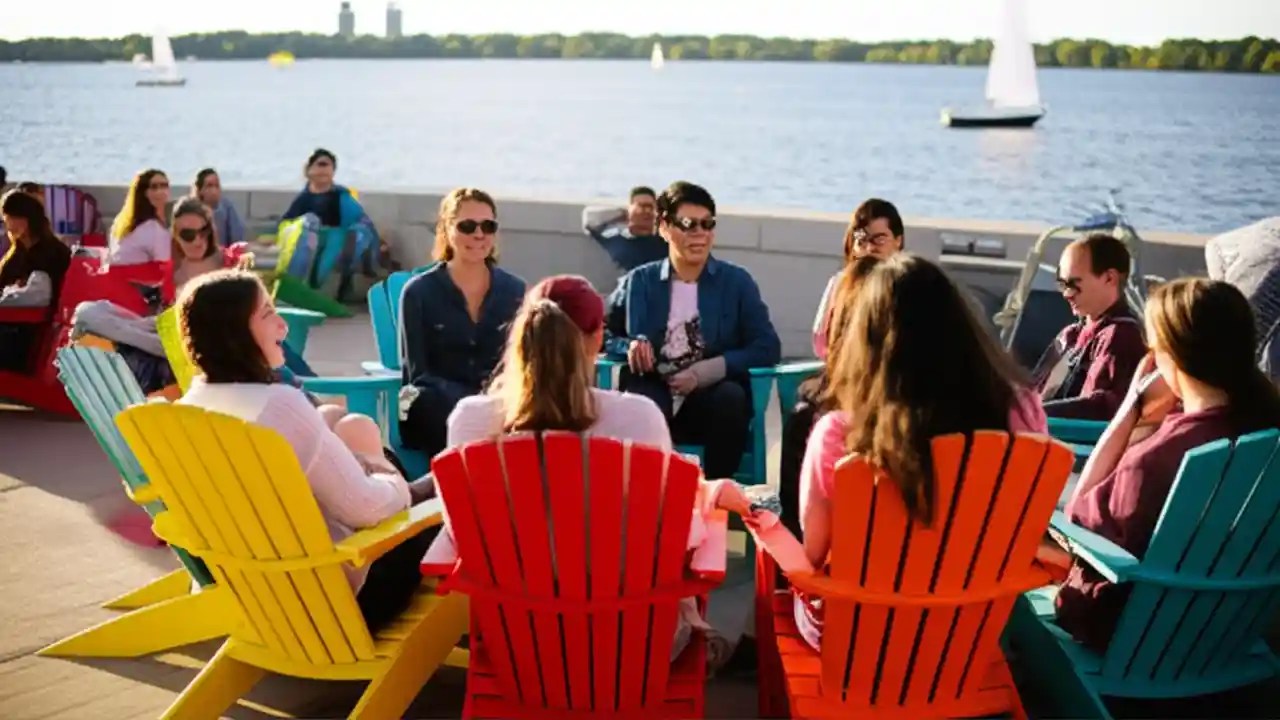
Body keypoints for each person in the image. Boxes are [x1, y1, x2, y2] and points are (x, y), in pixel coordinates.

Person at [442, 273, 752, 662]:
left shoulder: (469, 422)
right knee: (737, 558)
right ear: (597, 339)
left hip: (516, 645)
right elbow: (678, 537)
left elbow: (460, 535)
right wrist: (705, 501)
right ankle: (721, 648)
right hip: (631, 646)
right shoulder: (637, 418)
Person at [793, 255, 1046, 650]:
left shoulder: (839, 435)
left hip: (859, 640)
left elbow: (814, 552)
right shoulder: (1021, 409)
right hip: (968, 635)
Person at [175, 269, 435, 630]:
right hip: (336, 606)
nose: (283, 327)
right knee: (453, 490)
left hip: (256, 599)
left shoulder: (189, 410)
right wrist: (380, 466)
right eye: (268, 314)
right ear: (233, 332)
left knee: (349, 432)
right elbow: (368, 509)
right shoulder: (279, 405)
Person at [1052, 278, 1280, 652]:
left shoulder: (1160, 459)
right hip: (1227, 625)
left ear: (1169, 357)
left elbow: (1079, 516)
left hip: (1134, 635)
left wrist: (1130, 409)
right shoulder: (1261, 430)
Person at [604, 181, 781, 480]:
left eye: (706, 224)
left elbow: (766, 346)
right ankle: (649, 500)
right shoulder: (639, 282)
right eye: (687, 224)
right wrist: (630, 347)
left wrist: (705, 372)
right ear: (663, 227)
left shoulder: (736, 283)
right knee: (643, 399)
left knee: (731, 398)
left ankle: (714, 497)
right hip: (652, 395)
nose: (699, 233)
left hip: (705, 402)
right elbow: (601, 333)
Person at [398, 187, 526, 458]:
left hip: (499, 404)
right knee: (425, 399)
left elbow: (521, 363)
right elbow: (417, 374)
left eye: (488, 226)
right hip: (440, 409)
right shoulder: (419, 293)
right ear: (446, 229)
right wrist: (470, 405)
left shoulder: (514, 290)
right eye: (467, 226)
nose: (479, 235)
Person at [778, 255, 879, 536]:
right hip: (937, 574)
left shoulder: (829, 430)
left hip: (839, 570)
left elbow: (811, 544)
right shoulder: (953, 424)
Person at [1032, 234, 1146, 420]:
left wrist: (1029, 415)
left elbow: (1100, 410)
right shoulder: (1070, 335)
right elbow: (1033, 389)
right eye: (1063, 285)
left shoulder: (1119, 338)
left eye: (1074, 285)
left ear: (1110, 278)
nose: (1066, 294)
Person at [812, 198, 905, 359]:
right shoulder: (840, 285)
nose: (869, 249)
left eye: (879, 240)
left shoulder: (910, 287)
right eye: (861, 241)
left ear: (898, 241)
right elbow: (821, 344)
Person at [0, 190, 72, 370]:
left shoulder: (50, 253)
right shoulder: (18, 254)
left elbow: (38, 297)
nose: (8, 224)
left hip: (29, 332)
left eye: (12, 218)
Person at [1205, 216, 1280, 378]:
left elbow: (1215, 246)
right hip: (1247, 349)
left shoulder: (1268, 229)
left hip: (1231, 338)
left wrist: (1224, 295)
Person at [582, 186, 668, 273]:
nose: (645, 212)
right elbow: (590, 219)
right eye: (640, 207)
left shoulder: (665, 241)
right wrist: (622, 214)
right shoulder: (617, 239)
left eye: (649, 207)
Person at [109, 169, 171, 266]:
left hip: (117, 276)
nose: (161, 191)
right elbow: (164, 263)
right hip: (139, 278)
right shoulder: (153, 229)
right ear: (143, 193)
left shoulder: (121, 222)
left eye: (164, 186)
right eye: (154, 187)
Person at [282, 149, 346, 227]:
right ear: (309, 169)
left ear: (333, 171)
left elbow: (360, 222)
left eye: (326, 165)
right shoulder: (302, 199)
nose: (323, 170)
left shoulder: (342, 197)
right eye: (320, 165)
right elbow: (286, 224)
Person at [192, 168, 245, 247]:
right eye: (209, 186)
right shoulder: (190, 211)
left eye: (217, 186)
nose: (214, 190)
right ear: (200, 190)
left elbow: (237, 237)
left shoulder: (226, 207)